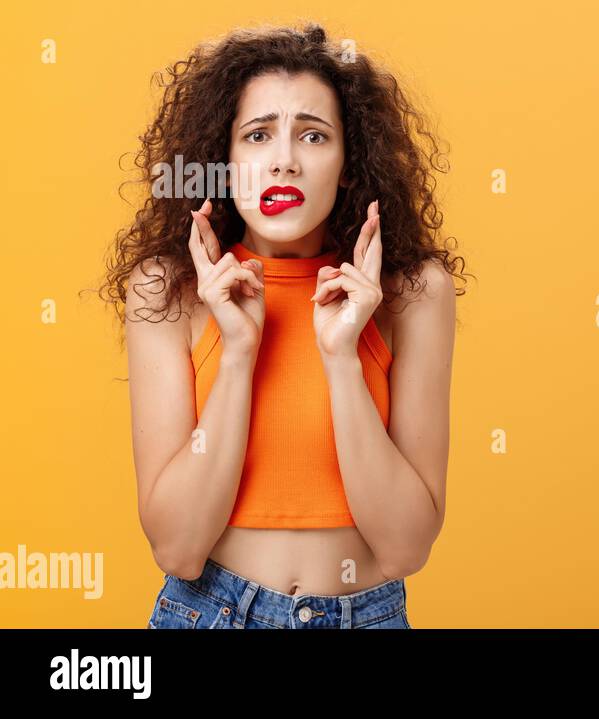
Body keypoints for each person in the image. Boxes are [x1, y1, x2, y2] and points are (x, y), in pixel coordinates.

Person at [99, 23, 470, 628]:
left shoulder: (411, 292)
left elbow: (406, 549)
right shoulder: (167, 288)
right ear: (223, 163)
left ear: (350, 165)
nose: (285, 162)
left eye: (314, 136)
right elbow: (178, 547)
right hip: (211, 613)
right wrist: (239, 354)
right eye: (258, 135)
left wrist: (343, 357)